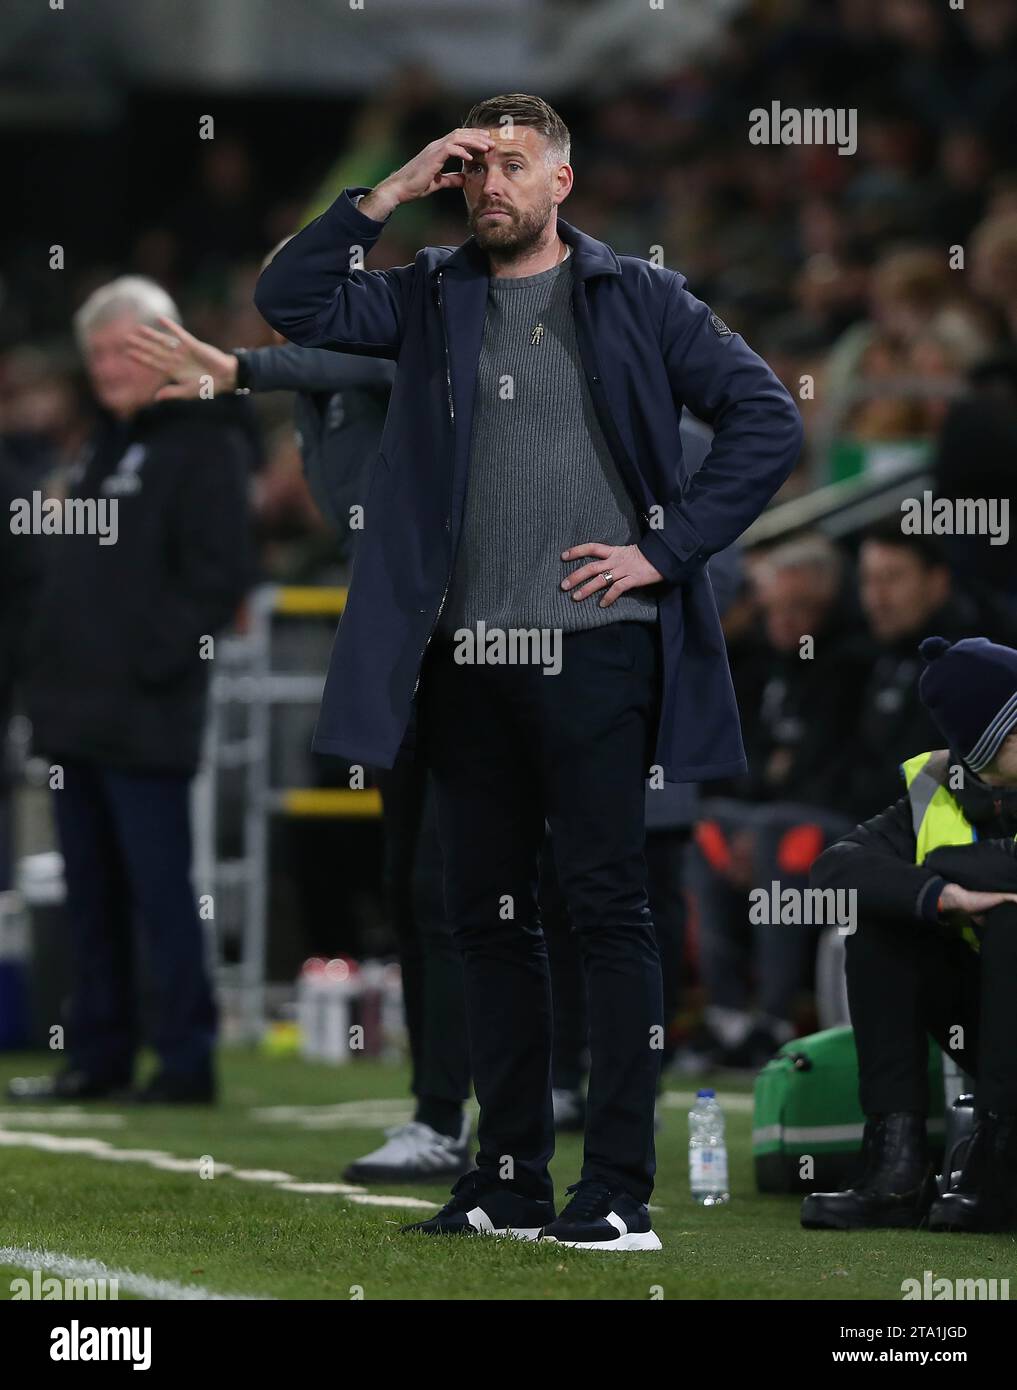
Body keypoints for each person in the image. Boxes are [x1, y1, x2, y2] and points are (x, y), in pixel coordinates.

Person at [255, 93, 802, 1250]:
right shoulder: (426, 292)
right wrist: (391, 190)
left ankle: (618, 1192)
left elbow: (766, 417)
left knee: (605, 910)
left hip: (597, 650)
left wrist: (664, 550)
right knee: (485, 920)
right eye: (475, 167)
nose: (490, 183)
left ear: (563, 180)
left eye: (514, 164)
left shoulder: (640, 293)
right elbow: (292, 300)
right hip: (463, 661)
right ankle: (507, 1180)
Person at [8, 276, 255, 1104]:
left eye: (125, 350)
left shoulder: (205, 441)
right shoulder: (95, 446)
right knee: (89, 895)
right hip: (70, 710)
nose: (108, 368)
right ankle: (98, 1056)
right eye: (97, 354)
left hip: (147, 711)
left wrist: (151, 665)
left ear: (167, 348)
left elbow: (219, 575)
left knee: (157, 890)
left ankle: (185, 1062)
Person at [804, 636, 1017, 1234]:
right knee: (883, 922)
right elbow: (834, 868)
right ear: (988, 743)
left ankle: (997, 1168)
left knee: (1010, 922)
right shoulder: (933, 790)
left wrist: (942, 870)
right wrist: (943, 896)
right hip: (992, 1028)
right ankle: (895, 1169)